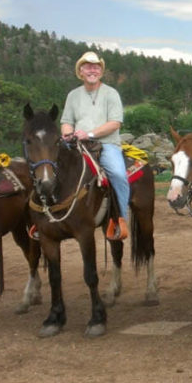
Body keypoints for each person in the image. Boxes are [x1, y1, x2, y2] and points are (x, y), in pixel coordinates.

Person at [61, 51, 129, 241]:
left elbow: (115, 123)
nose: (93, 70)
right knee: (49, 166)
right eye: (88, 66)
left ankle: (120, 219)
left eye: (96, 66)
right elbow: (66, 121)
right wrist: (67, 134)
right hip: (77, 144)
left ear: (101, 71)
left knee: (118, 174)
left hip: (105, 144)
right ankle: (43, 217)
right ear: (80, 71)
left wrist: (89, 134)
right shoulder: (73, 95)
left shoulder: (111, 93)